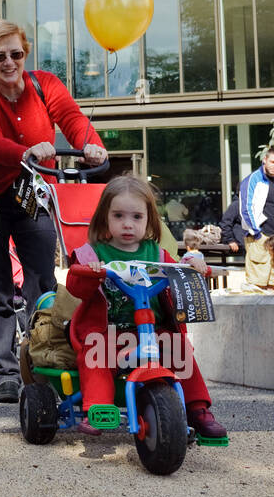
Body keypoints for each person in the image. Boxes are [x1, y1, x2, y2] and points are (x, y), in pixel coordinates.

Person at [0, 18, 107, 404]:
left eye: (16, 54)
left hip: (30, 191)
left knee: (42, 281)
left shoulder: (45, 85)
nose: (9, 63)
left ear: (25, 53)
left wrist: (90, 144)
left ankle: (40, 362)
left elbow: (73, 120)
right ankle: (7, 371)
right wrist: (24, 152)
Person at [65, 175, 227, 438]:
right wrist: (88, 273)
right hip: (109, 334)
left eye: (136, 217)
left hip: (151, 332)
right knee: (94, 355)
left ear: (149, 220)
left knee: (180, 352)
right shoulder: (94, 253)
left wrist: (192, 265)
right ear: (105, 218)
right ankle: (98, 409)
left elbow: (176, 271)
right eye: (118, 216)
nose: (127, 224)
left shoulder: (156, 253)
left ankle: (198, 409)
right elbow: (75, 286)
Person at [237, 147, 274, 291]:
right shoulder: (253, 179)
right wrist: (256, 233)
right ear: (265, 160)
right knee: (257, 286)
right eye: (273, 162)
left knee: (273, 285)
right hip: (260, 237)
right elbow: (246, 207)